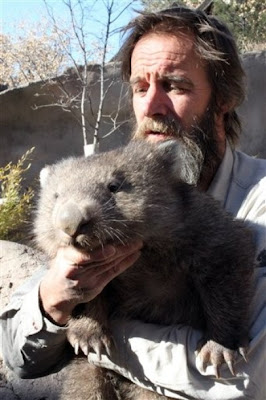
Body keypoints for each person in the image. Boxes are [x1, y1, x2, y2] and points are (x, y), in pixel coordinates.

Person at [1, 5, 266, 400]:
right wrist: (55, 301)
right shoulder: (106, 175)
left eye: (175, 85)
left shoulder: (256, 199)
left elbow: (245, 380)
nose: (152, 106)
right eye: (140, 88)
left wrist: (101, 344)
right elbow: (18, 357)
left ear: (225, 98)